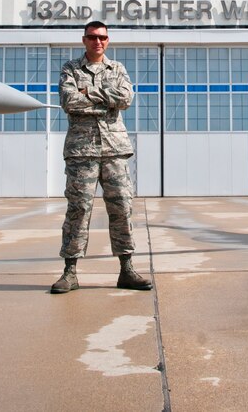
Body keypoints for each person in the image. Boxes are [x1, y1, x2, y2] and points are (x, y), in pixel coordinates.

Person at [51, 21, 152, 294]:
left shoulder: (117, 69)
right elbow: (69, 101)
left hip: (114, 150)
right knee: (78, 209)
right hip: (81, 151)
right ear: (84, 39)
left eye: (103, 38)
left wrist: (89, 94)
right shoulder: (71, 69)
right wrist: (106, 101)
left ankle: (126, 270)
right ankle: (70, 272)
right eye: (93, 37)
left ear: (108, 41)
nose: (98, 42)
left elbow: (126, 99)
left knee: (122, 208)